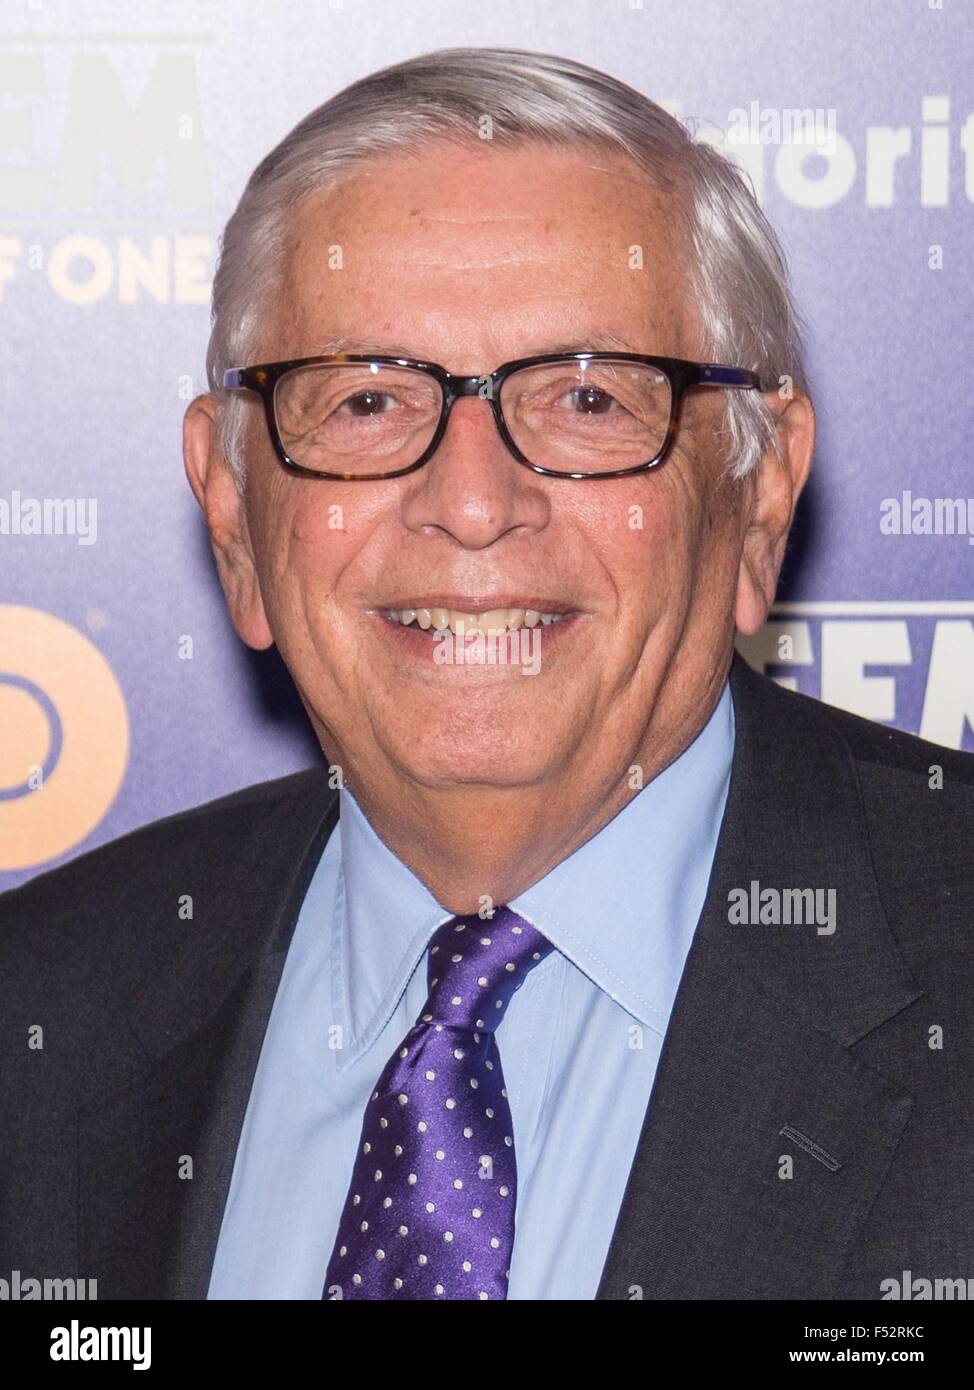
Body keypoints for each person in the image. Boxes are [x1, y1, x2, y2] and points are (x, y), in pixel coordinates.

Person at [2, 47, 972, 1302]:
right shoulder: (40, 1013)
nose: (470, 503)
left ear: (758, 494)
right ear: (235, 513)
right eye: (363, 402)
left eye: (584, 397)